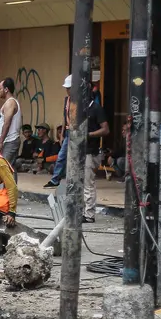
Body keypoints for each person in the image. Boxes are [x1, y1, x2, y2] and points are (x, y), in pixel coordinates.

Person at [49, 73, 109, 222]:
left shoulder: (96, 108)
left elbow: (105, 130)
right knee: (76, 182)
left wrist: (89, 134)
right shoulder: (77, 109)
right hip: (77, 149)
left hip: (90, 151)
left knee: (88, 183)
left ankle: (89, 214)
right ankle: (79, 210)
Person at [45, 72, 101, 188]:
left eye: (69, 88)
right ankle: (55, 179)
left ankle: (75, 179)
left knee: (77, 158)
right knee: (62, 156)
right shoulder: (67, 100)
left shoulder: (83, 101)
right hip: (69, 131)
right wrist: (62, 134)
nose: (67, 90)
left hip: (79, 132)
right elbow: (64, 117)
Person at [0, 78, 23, 167]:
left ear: (6, 89)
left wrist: (1, 141)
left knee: (4, 167)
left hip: (10, 141)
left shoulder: (10, 103)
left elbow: (7, 123)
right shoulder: (9, 102)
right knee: (9, 169)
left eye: (0, 89)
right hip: (7, 141)